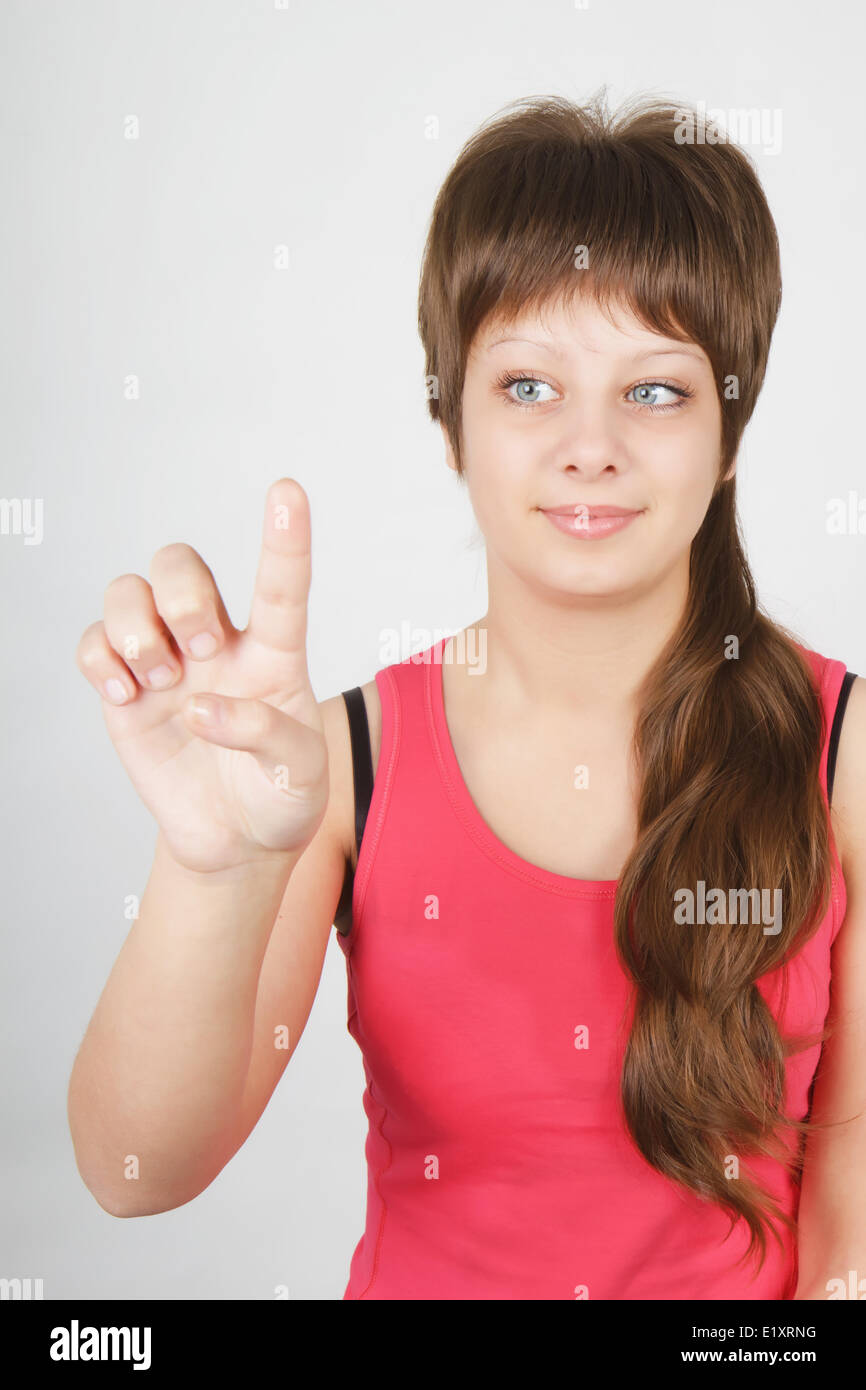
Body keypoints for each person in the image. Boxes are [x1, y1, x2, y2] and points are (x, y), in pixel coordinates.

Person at [68, 92, 866, 1301]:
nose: (587, 445)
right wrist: (211, 866)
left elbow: (849, 1183)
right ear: (450, 421)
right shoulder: (342, 759)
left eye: (653, 390)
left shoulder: (841, 751)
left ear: (729, 425)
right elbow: (134, 1171)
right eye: (528, 387)